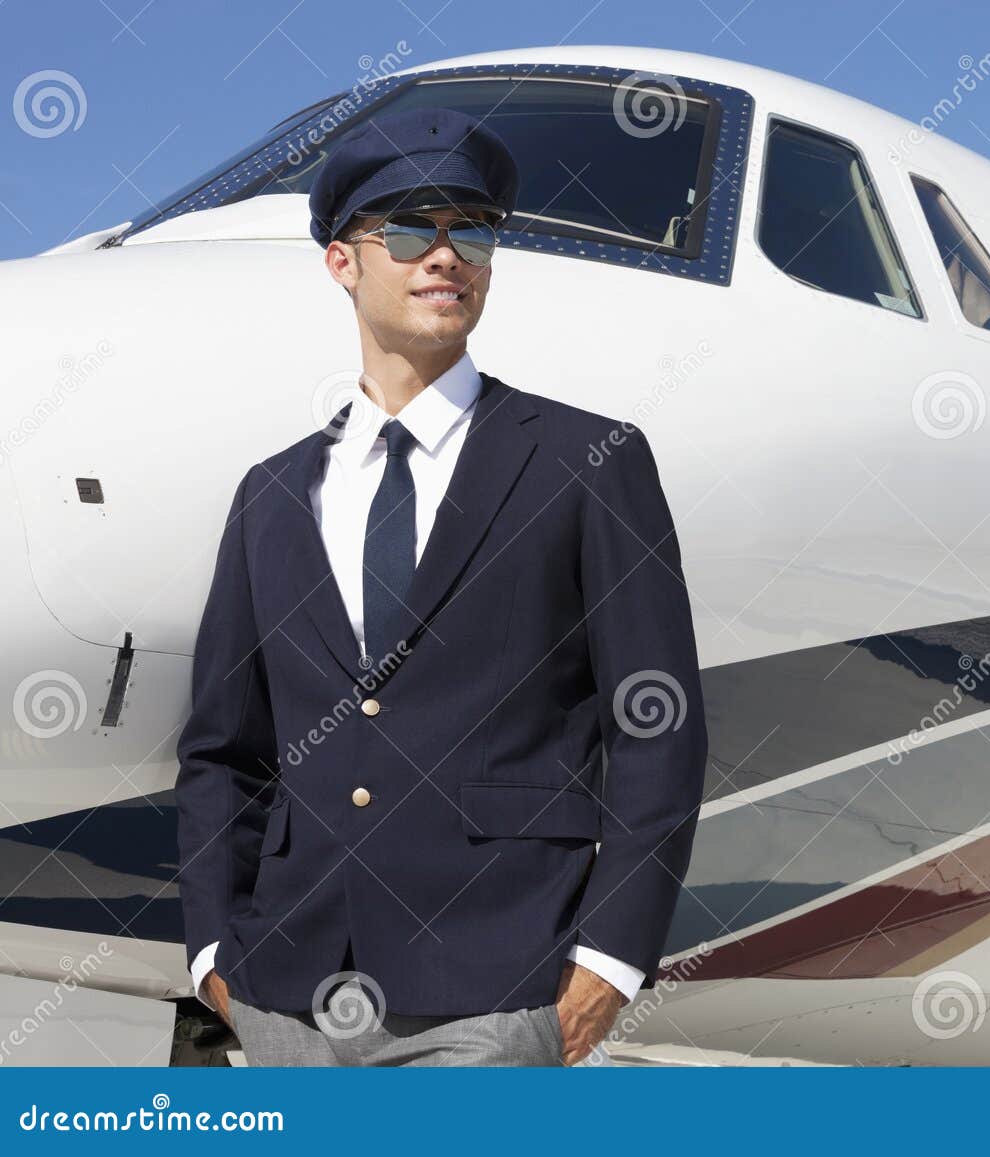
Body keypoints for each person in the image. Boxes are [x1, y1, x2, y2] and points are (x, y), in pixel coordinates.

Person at [174, 106, 707, 1066]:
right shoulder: (270, 497)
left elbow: (656, 727)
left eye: (475, 232)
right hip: (285, 993)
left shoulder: (589, 462)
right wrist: (214, 951)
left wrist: (611, 962)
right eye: (414, 230)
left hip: (498, 990)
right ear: (342, 261)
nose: (448, 255)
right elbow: (225, 749)